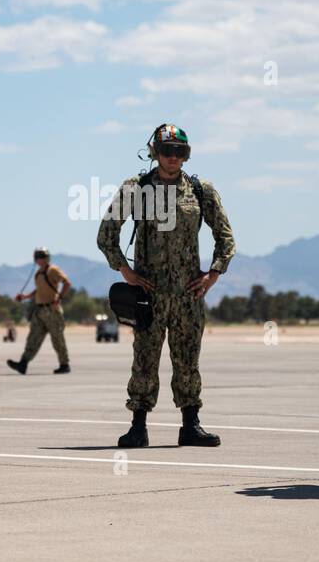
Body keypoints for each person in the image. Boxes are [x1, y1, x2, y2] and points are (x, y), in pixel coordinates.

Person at [97, 124, 235, 448]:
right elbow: (106, 235)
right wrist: (125, 271)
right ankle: (138, 427)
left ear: (186, 155)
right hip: (149, 295)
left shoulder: (201, 190)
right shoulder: (136, 188)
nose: (173, 158)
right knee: (144, 360)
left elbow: (226, 237)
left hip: (189, 295)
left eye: (179, 152)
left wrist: (213, 275)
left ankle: (190, 426)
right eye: (166, 151)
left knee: (188, 361)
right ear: (154, 152)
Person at [6, 248, 71, 375]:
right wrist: (24, 297)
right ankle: (23, 364)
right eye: (39, 256)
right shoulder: (38, 273)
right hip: (40, 310)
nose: (40, 259)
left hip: (52, 310)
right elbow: (39, 291)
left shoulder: (53, 270)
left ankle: (64, 365)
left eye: (42, 256)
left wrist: (59, 298)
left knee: (57, 339)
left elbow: (67, 283)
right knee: (33, 338)